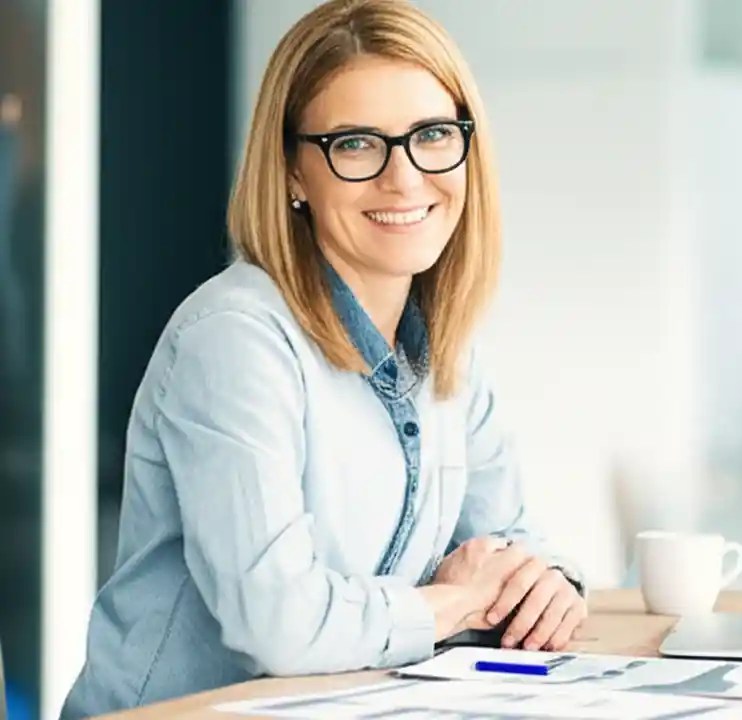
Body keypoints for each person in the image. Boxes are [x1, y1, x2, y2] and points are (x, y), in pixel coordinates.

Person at [61, 1, 587, 716]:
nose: (404, 178)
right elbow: (277, 624)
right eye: (355, 144)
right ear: (293, 173)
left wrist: (547, 585)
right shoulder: (235, 339)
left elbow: (515, 540)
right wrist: (454, 602)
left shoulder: (444, 338)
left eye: (431, 135)